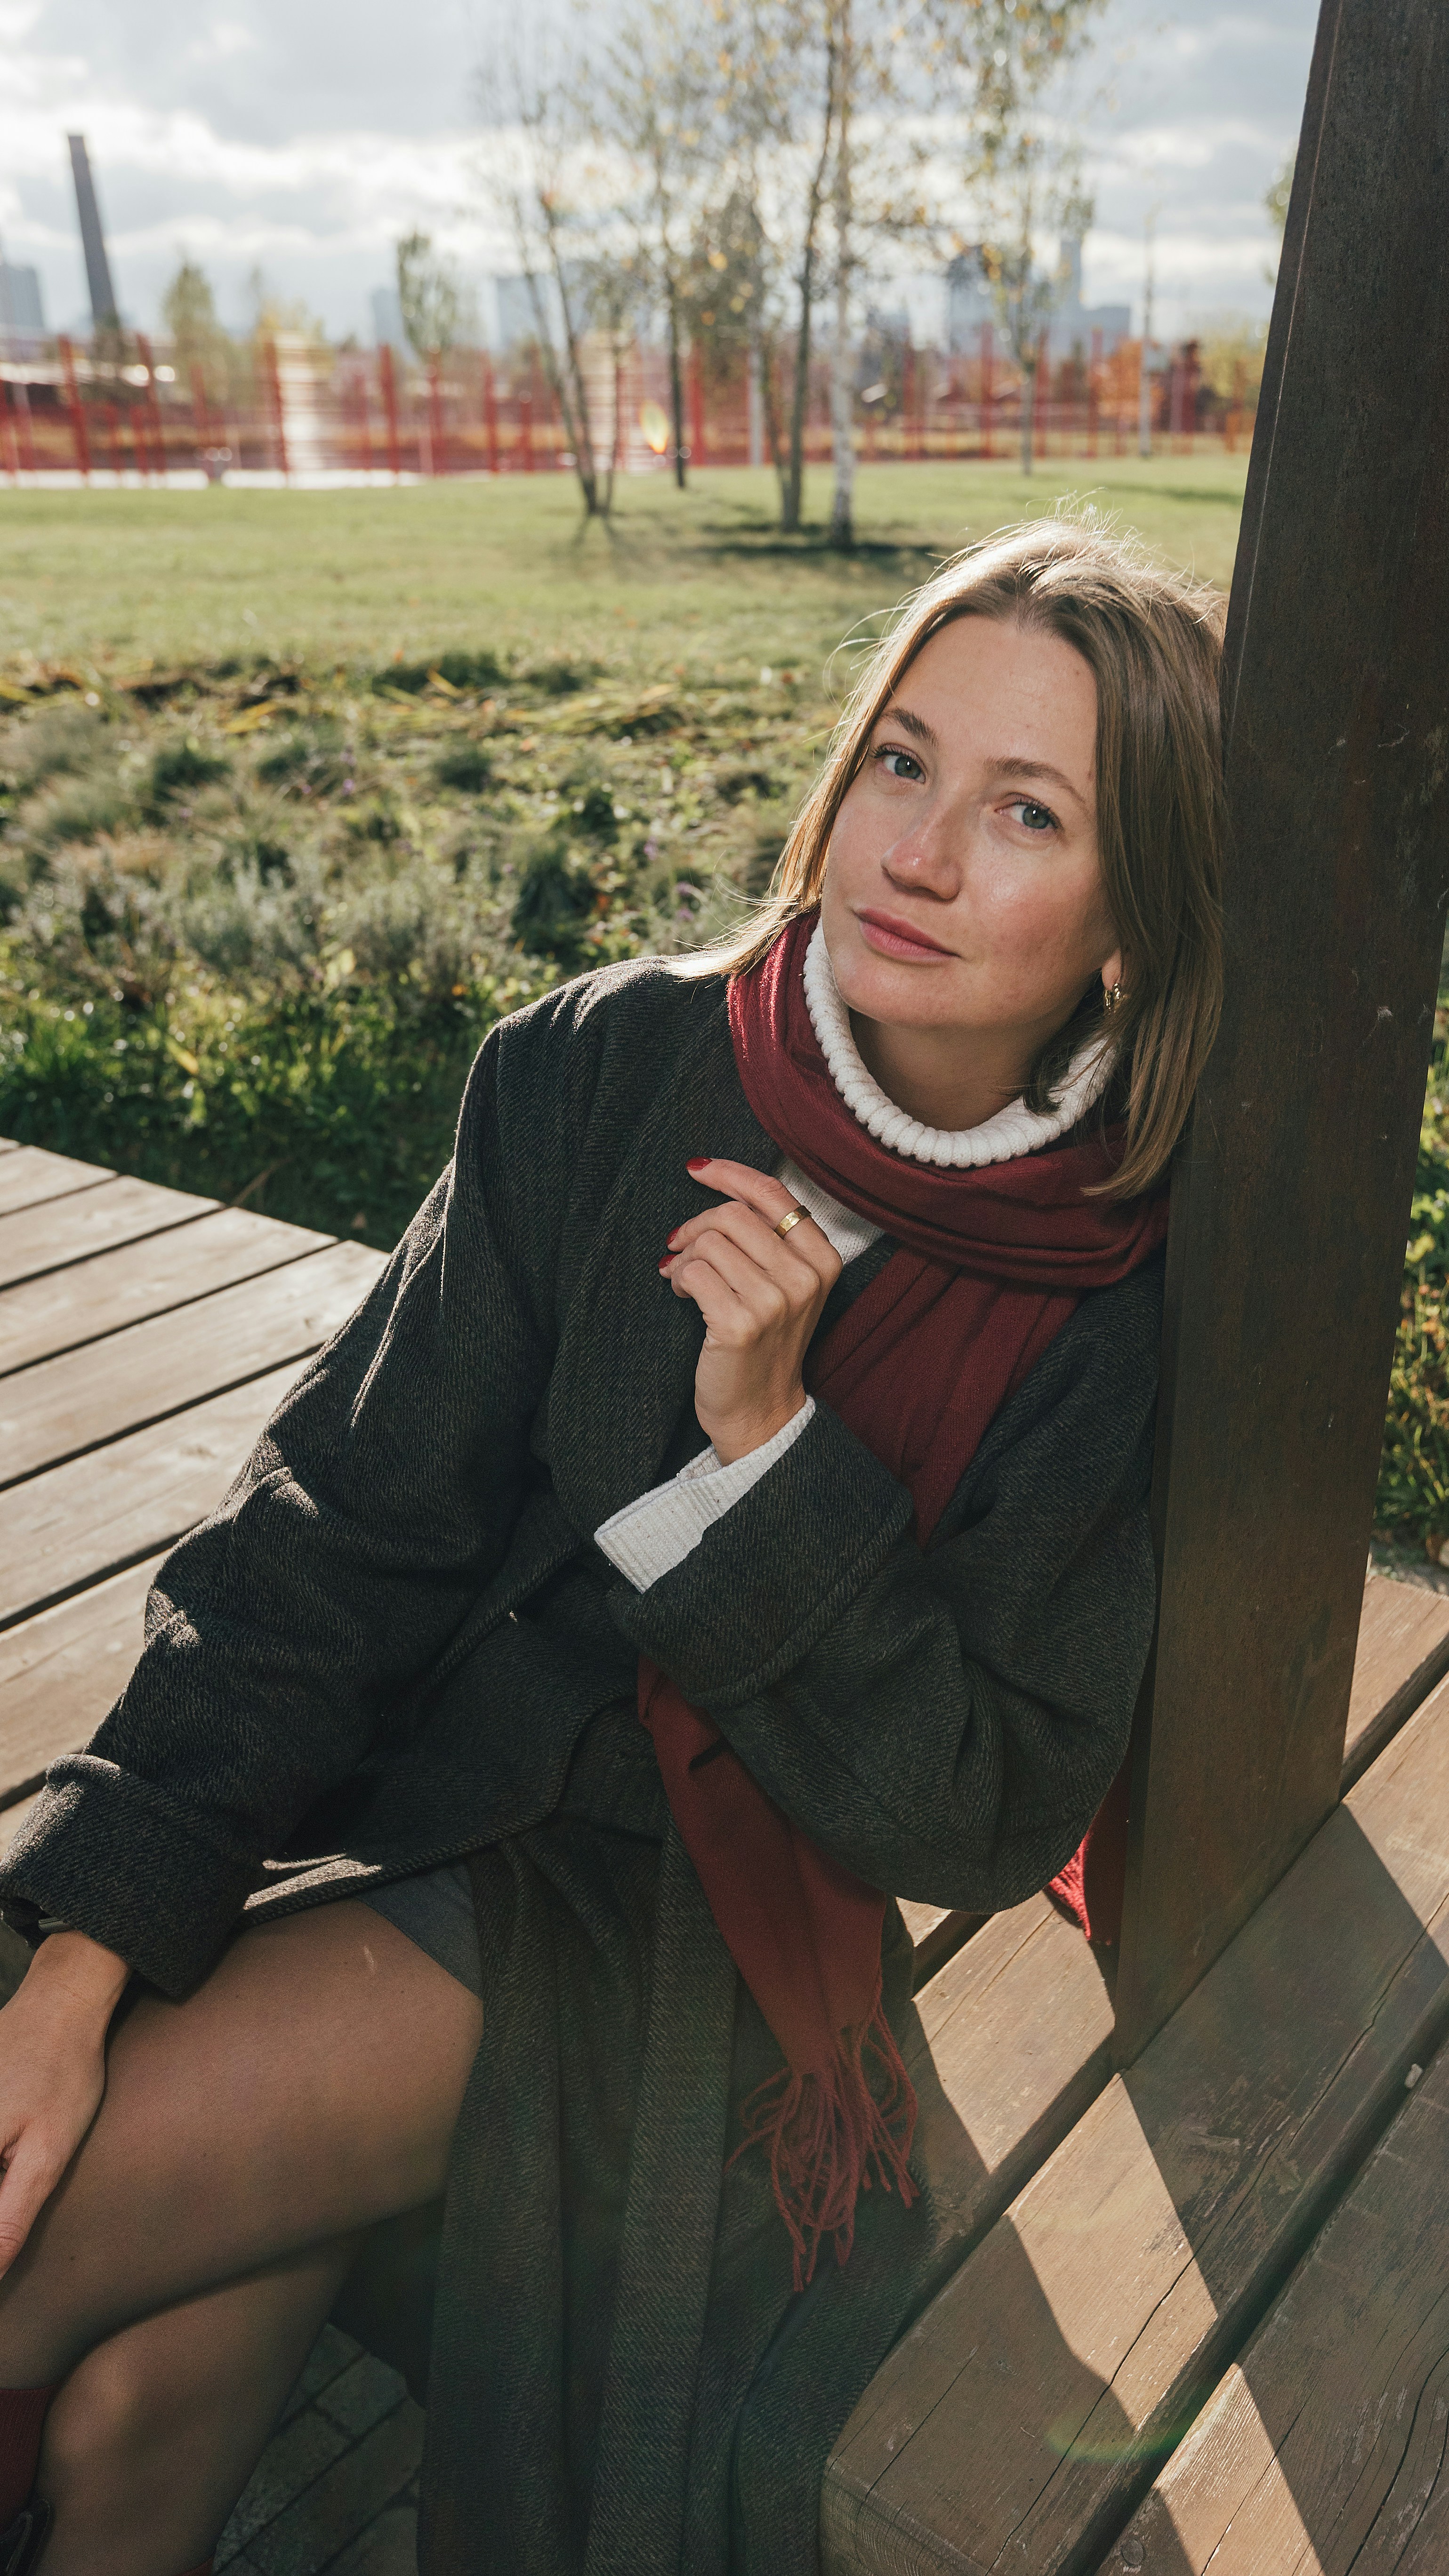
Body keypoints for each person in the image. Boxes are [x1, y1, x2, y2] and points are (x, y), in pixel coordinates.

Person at [0, 519, 1225, 2576]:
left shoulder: (1100, 1299)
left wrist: (771, 1463)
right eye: (900, 762)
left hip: (677, 1939)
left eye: (1025, 811)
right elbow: (341, 1531)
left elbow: (979, 1809)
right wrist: (90, 1940)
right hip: (396, 1802)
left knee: (49, 2234)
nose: (914, 851)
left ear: (1126, 929)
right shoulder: (601, 1067)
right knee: (129, 2398)